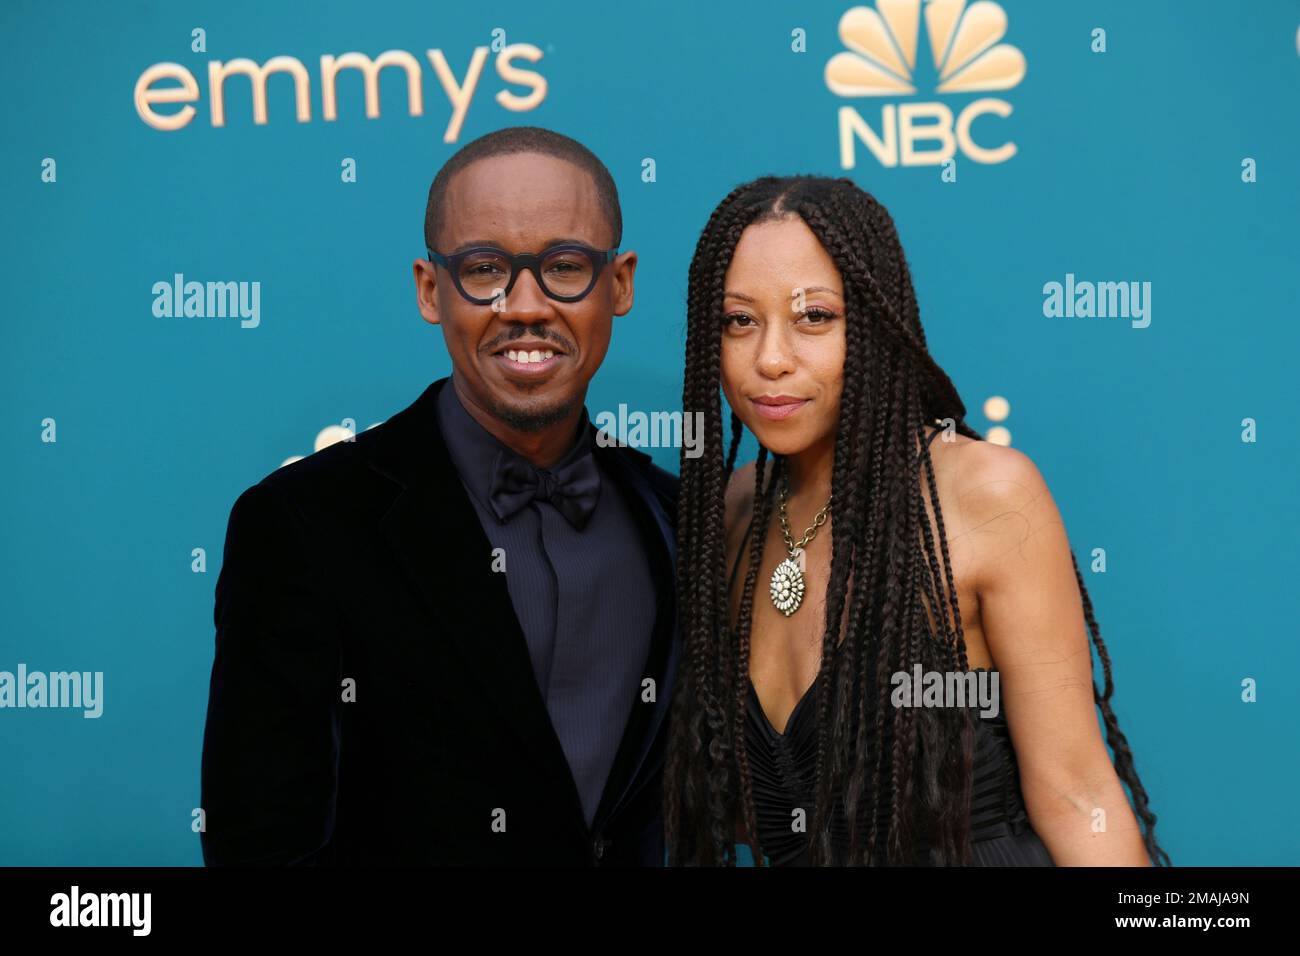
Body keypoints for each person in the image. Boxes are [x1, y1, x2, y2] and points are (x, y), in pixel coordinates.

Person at [200, 126, 678, 866]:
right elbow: (262, 846)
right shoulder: (302, 525)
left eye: (565, 266)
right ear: (432, 289)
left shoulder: (678, 521)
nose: (524, 306)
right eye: (485, 268)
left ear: (620, 284)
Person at [663, 175, 1170, 866]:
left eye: (815, 316)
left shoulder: (984, 491)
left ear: (875, 323)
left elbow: (1080, 797)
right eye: (738, 321)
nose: (770, 359)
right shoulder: (732, 515)